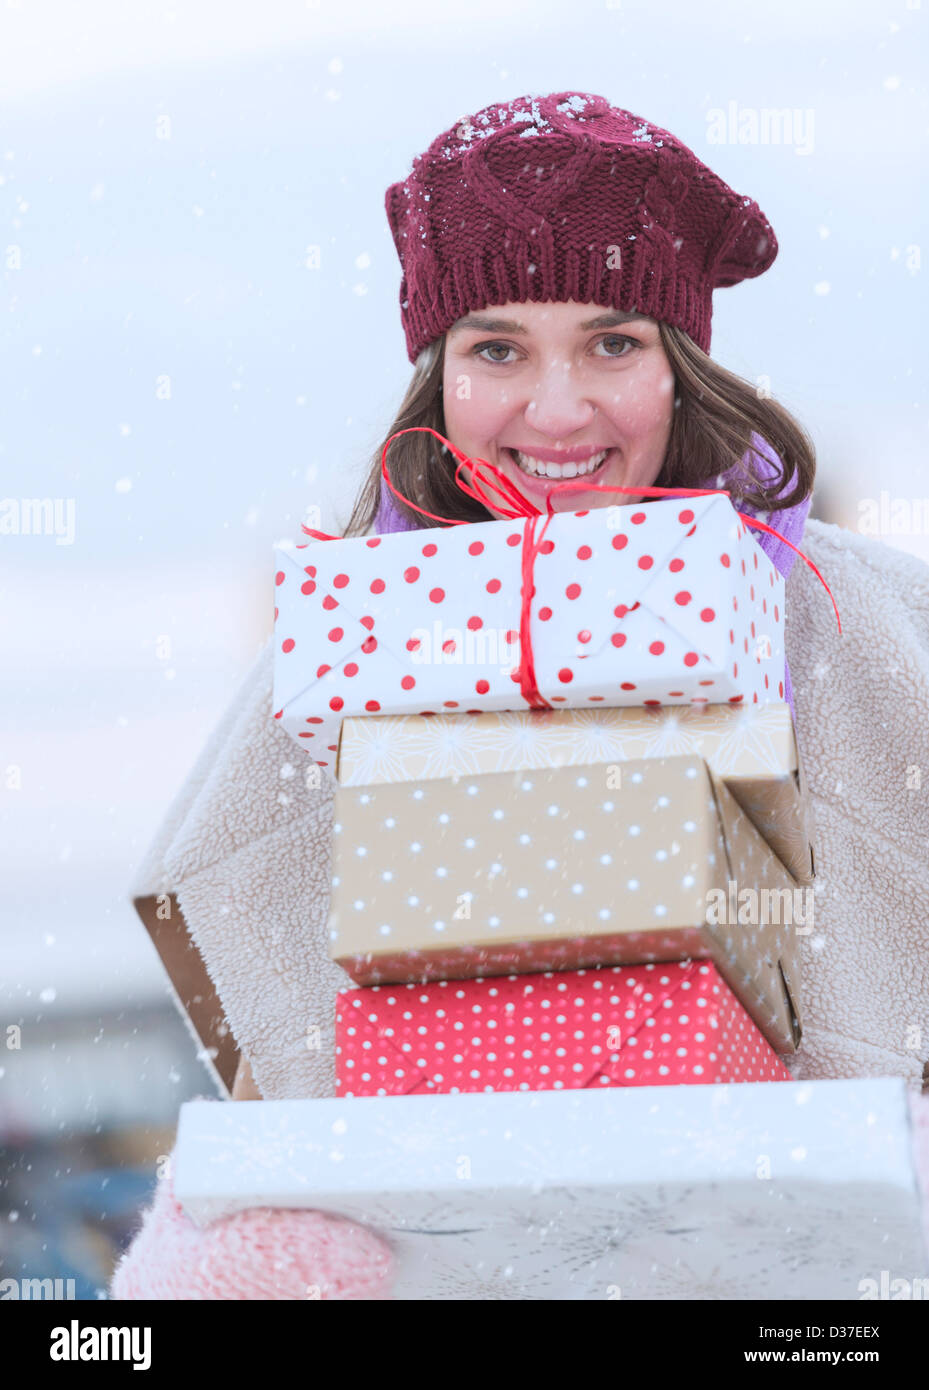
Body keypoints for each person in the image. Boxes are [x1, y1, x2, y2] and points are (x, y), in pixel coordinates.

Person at [110, 91, 929, 1301]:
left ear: (679, 366)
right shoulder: (352, 637)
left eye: (612, 343)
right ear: (439, 377)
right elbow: (241, 918)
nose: (555, 412)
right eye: (496, 349)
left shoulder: (849, 614)